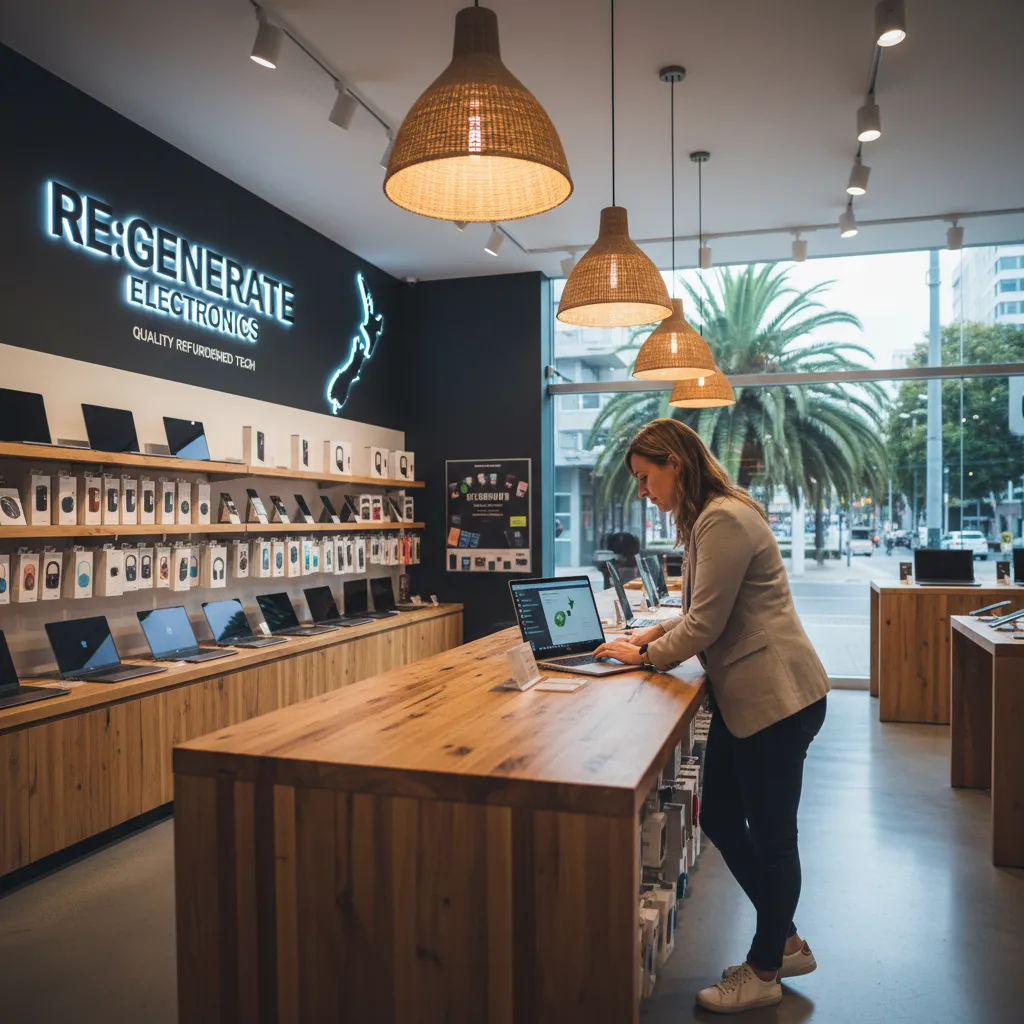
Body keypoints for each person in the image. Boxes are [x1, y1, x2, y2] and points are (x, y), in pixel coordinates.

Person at [594, 418, 829, 1015]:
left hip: (777, 700)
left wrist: (644, 655)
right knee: (721, 813)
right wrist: (652, 631)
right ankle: (787, 938)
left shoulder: (722, 518)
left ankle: (764, 969)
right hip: (751, 701)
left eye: (647, 478)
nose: (645, 492)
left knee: (776, 840)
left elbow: (706, 624)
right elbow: (699, 610)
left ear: (675, 462)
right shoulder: (710, 516)